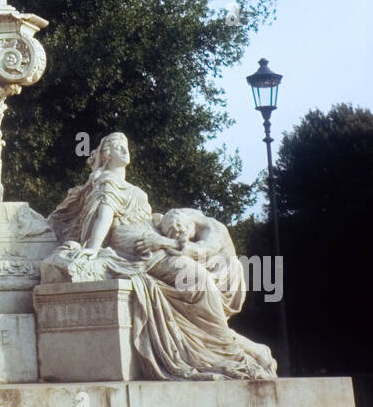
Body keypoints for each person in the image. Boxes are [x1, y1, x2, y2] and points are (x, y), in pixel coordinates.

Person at [47, 133, 276, 380]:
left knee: (196, 282)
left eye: (126, 145)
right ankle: (228, 351)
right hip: (136, 248)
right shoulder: (108, 181)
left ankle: (225, 348)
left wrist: (162, 237)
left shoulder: (135, 191)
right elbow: (105, 214)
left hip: (153, 246)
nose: (125, 150)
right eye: (118, 146)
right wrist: (92, 247)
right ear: (106, 154)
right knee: (196, 279)